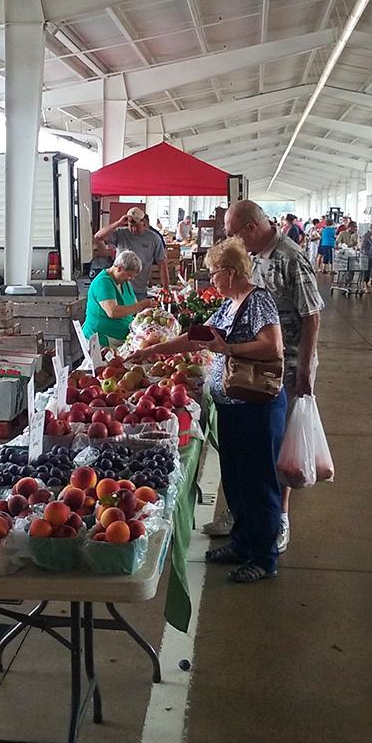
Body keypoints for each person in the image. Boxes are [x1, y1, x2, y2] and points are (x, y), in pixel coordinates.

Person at [131, 237, 286, 582]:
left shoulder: (257, 301)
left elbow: (272, 346)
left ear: (230, 273)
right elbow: (196, 338)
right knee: (236, 479)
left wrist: (228, 347)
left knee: (258, 483)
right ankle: (242, 544)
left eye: (214, 273)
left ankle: (263, 557)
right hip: (232, 407)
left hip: (255, 407)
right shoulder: (230, 304)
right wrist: (153, 352)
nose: (211, 279)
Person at [203, 199, 324, 550]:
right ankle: (245, 514)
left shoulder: (290, 256)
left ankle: (278, 519)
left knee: (276, 446)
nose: (232, 240)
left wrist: (303, 369)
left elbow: (312, 315)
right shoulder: (253, 256)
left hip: (281, 363)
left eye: (232, 233)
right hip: (250, 365)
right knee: (249, 448)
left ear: (251, 228)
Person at [95, 207, 170, 300]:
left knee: (139, 313)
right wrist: (118, 223)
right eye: (131, 226)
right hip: (119, 287)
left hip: (139, 289)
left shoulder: (154, 238)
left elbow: (162, 263)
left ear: (144, 223)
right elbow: (98, 236)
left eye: (137, 226)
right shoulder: (121, 233)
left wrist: (166, 288)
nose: (134, 229)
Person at [82, 250, 152, 349]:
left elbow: (133, 305)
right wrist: (141, 305)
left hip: (121, 339)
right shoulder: (103, 282)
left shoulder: (124, 282)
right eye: (129, 275)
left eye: (133, 276)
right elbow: (113, 312)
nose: (131, 279)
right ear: (119, 268)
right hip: (102, 339)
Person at [361, 222, 372, 291]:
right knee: (367, 270)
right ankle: (365, 285)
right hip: (366, 255)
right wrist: (364, 254)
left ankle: (371, 282)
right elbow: (362, 247)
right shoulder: (366, 236)